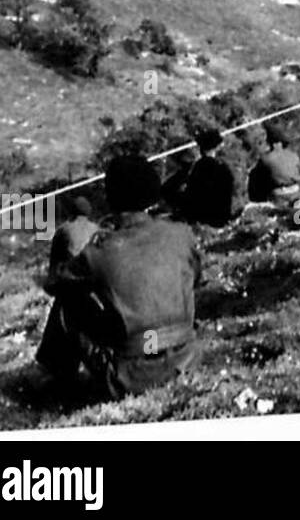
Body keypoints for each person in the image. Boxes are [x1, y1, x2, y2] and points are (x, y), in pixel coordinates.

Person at [35, 155, 202, 401]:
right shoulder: (181, 234)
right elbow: (196, 279)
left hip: (130, 378)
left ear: (111, 197)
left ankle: (57, 379)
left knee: (68, 304)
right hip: (187, 358)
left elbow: (54, 284)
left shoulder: (100, 250)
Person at [167, 129, 239, 228]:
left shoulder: (198, 166)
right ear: (217, 147)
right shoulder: (223, 169)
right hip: (217, 218)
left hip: (197, 215)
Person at [47, 196, 100, 283]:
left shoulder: (63, 229)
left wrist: (51, 279)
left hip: (71, 277)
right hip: (93, 277)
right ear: (88, 211)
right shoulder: (96, 229)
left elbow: (54, 258)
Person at [247, 126, 300, 204]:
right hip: (297, 192)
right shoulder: (294, 155)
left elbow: (256, 179)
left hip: (279, 195)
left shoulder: (266, 159)